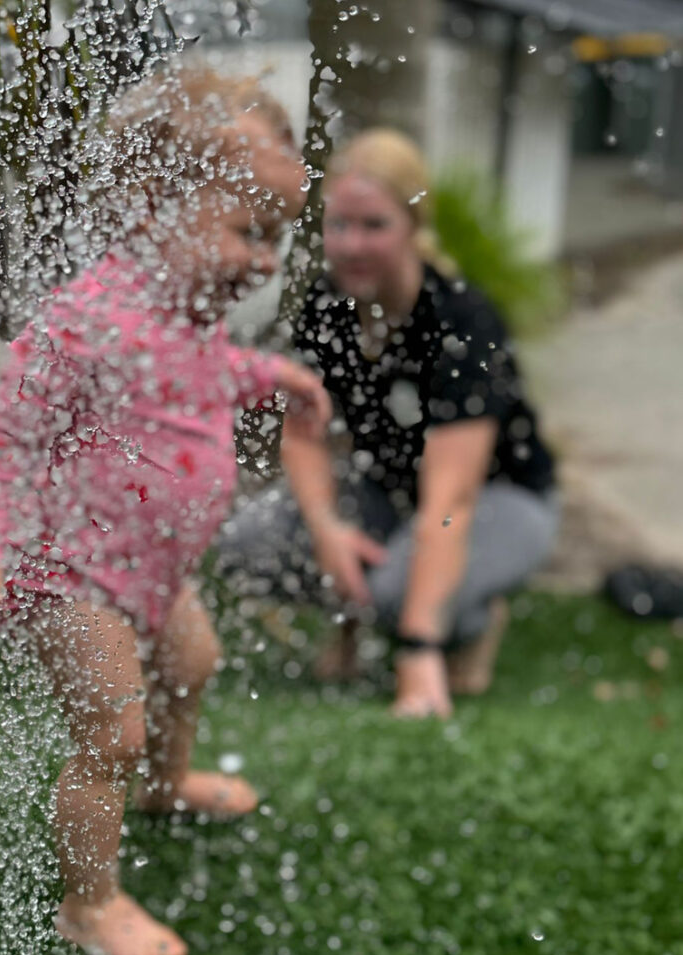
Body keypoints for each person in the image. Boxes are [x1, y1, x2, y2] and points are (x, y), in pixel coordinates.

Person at [0, 65, 331, 955]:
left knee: (193, 663)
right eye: (248, 231)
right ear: (154, 202)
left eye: (278, 236)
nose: (266, 261)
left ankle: (167, 786)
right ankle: (89, 905)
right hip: (70, 573)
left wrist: (275, 377)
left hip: (153, 569)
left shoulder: (186, 313)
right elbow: (8, 434)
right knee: (111, 732)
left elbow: (210, 370)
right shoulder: (86, 317)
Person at [218, 128, 558, 718]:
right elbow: (305, 431)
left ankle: (470, 621)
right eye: (339, 225)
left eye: (374, 225)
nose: (351, 245)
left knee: (397, 594)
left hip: (498, 497)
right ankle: (359, 619)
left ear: (413, 227)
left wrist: (417, 649)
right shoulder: (328, 305)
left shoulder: (460, 318)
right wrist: (326, 529)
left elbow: (451, 501)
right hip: (389, 487)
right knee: (250, 545)